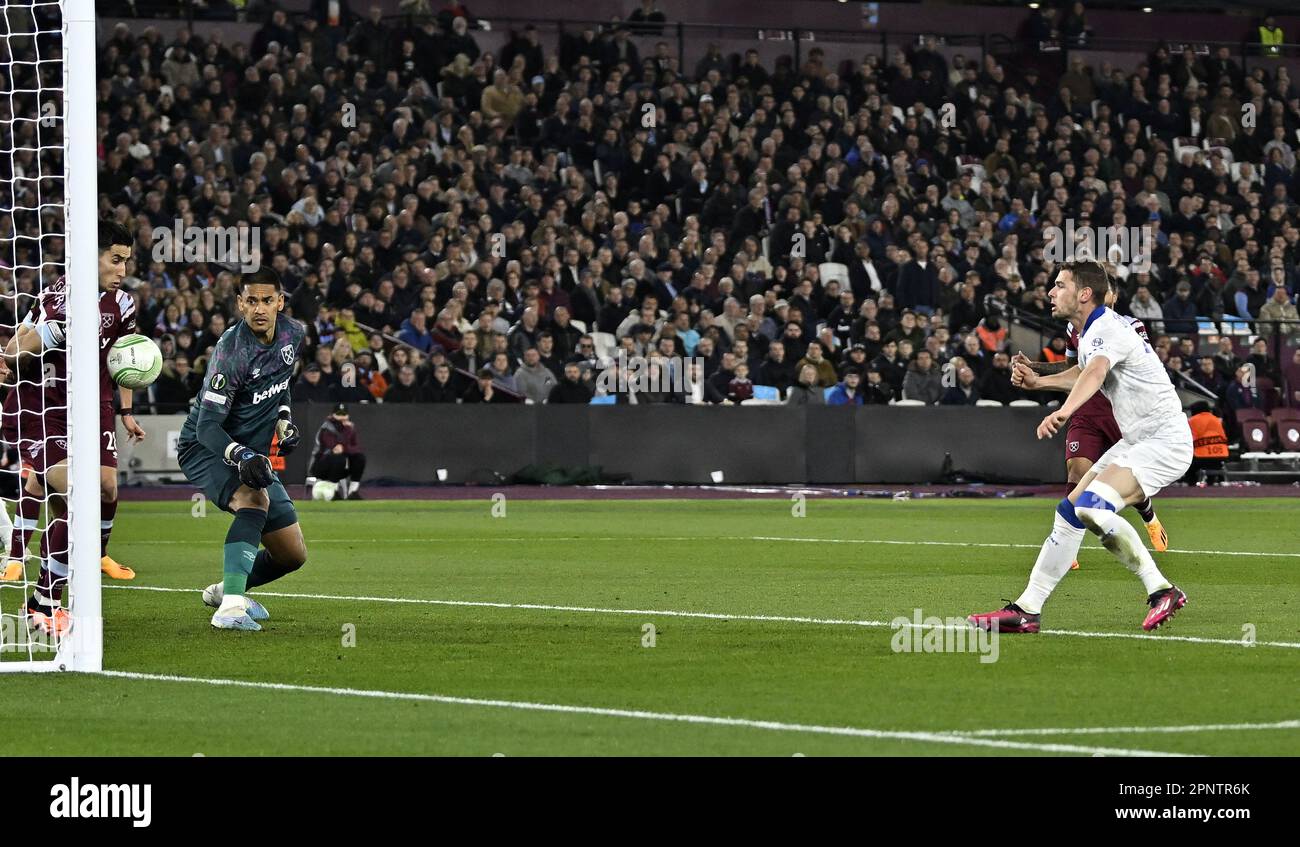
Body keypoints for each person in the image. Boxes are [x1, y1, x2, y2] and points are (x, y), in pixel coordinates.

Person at [972, 261, 1192, 634]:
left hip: (1164, 441)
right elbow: (1081, 370)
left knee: (1092, 506)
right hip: (1137, 440)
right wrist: (1038, 384)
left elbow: (1095, 372)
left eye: (1059, 285)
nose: (1051, 292)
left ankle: (1162, 589)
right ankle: (1027, 610)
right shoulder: (1088, 331)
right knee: (1070, 509)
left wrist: (1064, 411)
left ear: (1084, 293)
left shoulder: (1107, 327)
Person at [0, 221, 147, 637]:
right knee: (76, 496)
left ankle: (94, 555)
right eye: (114, 259)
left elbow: (124, 359)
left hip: (94, 404)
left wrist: (126, 411)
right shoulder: (57, 295)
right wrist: (45, 335)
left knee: (106, 490)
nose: (122, 269)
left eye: (126, 261)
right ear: (90, 255)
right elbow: (14, 351)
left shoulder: (122, 304)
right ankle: (43, 602)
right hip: (43, 407)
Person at [176, 267, 309, 631]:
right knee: (254, 501)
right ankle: (231, 610)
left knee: (292, 554)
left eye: (267, 300)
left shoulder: (294, 335)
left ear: (281, 302)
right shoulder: (231, 352)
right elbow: (206, 426)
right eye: (251, 301)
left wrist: (284, 420)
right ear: (240, 304)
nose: (260, 308)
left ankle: (226, 590)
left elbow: (280, 386)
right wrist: (242, 455)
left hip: (250, 452)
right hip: (206, 446)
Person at [1012, 272, 1169, 562]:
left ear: (1112, 297)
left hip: (1118, 410)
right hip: (1085, 407)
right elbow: (1076, 368)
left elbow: (1102, 370)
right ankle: (1067, 545)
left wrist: (1059, 407)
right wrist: (1035, 370)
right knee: (1077, 468)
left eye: (1107, 291)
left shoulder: (1129, 326)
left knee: (1126, 475)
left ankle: (1148, 514)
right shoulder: (1075, 330)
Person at [309, 403, 366, 500]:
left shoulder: (349, 428)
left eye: (344, 414)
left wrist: (345, 447)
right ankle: (332, 492)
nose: (341, 417)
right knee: (339, 458)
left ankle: (352, 492)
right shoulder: (327, 427)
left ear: (348, 415)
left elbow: (356, 448)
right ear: (332, 415)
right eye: (339, 414)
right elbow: (335, 449)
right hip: (320, 466)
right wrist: (346, 445)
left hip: (339, 466)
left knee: (360, 458)